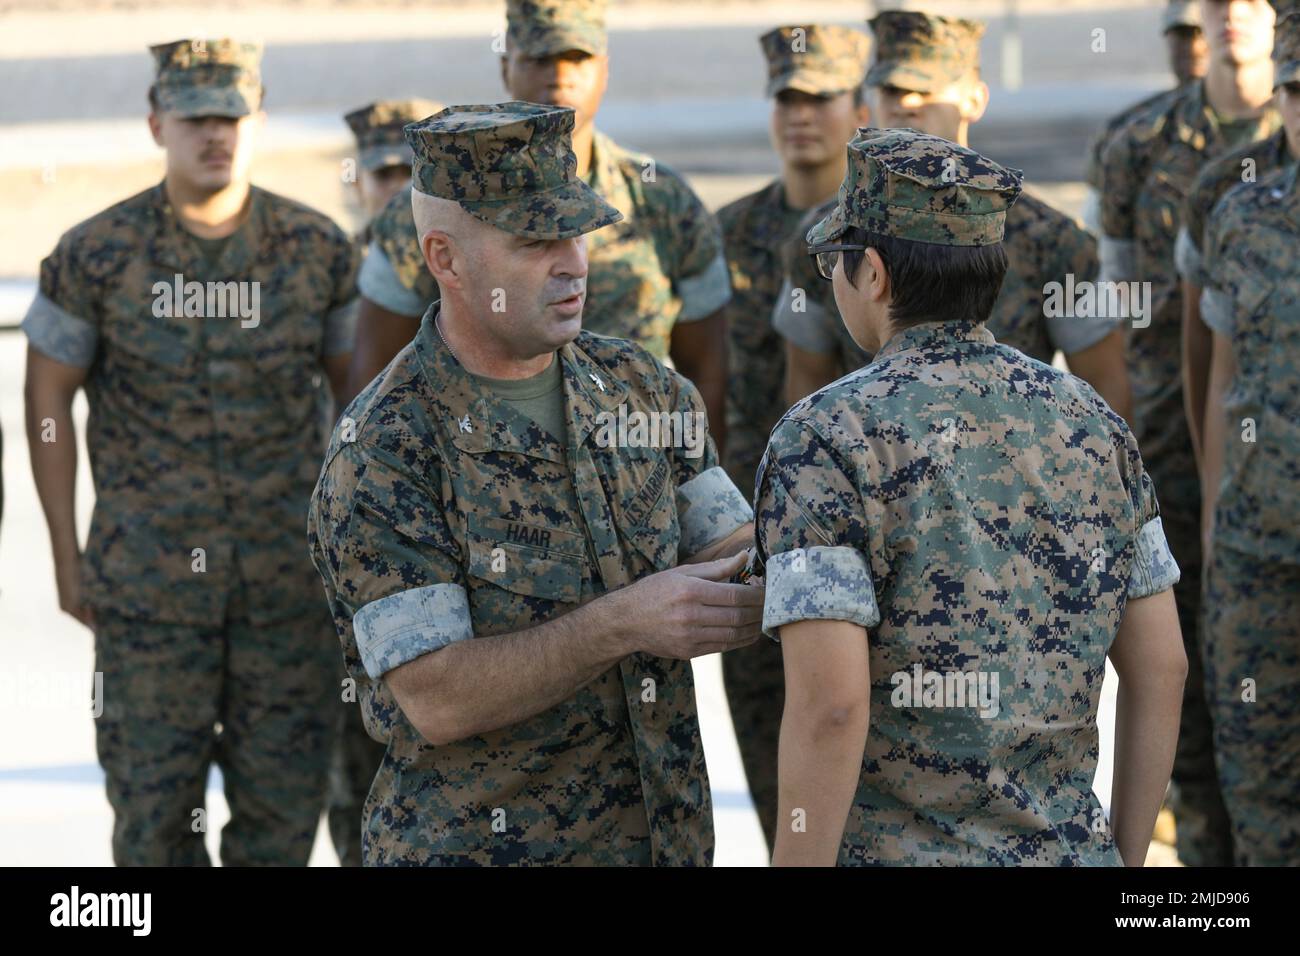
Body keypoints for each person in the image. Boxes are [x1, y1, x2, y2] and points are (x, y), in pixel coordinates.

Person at [308, 102, 763, 866]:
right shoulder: (385, 451)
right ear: (446, 260)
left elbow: (735, 546)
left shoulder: (643, 390)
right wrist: (624, 622)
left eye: (576, 232)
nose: (574, 262)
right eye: (535, 241)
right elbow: (438, 695)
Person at [753, 128, 1187, 867]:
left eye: (837, 262)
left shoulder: (825, 436)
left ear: (877, 275)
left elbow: (831, 708)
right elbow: (1162, 667)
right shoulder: (1090, 422)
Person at [22, 38, 359, 865]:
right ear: (155, 122)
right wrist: (66, 557)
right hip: (149, 600)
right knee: (150, 828)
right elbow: (45, 404)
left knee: (280, 828)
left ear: (258, 120)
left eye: (231, 116)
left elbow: (362, 410)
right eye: (195, 116)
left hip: (287, 593)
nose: (216, 134)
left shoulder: (316, 251)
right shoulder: (94, 255)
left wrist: (359, 562)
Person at [343, 0, 732, 449]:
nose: (559, 75)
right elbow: (372, 375)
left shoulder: (663, 199)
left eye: (576, 58)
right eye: (540, 58)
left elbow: (707, 369)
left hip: (632, 462)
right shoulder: (433, 208)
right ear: (507, 67)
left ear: (604, 70)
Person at [1098, 0, 1282, 867]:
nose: (1232, 15)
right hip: (1186, 475)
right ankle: (1208, 895)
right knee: (1211, 722)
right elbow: (1132, 325)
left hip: (1250, 482)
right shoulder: (1144, 149)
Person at [776, 10, 1132, 424]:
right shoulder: (836, 235)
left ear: (974, 99)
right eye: (891, 89)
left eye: (925, 88)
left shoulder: (1052, 239)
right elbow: (806, 385)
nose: (906, 104)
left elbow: (1106, 396)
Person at [716, 22, 871, 854]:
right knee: (780, 788)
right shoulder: (729, 230)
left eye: (822, 98)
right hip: (753, 537)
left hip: (863, 546)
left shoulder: (887, 235)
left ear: (859, 106)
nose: (801, 116)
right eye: (788, 98)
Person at [1197, 18, 1300, 864]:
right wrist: (1211, 517)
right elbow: (1223, 382)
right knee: (1257, 778)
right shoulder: (1243, 214)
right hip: (1256, 551)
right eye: (1296, 91)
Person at [328, 96, 441, 867]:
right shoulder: (339, 275)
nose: (394, 190)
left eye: (409, 174)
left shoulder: (459, 278)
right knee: (353, 757)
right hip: (348, 537)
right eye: (382, 175)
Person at [1179, 9, 1299, 468]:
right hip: (1260, 488)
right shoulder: (1227, 193)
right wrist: (1214, 490)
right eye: (1293, 91)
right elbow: (1206, 351)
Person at [1081, 0, 1208, 234]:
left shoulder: (1284, 125)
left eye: (1204, 32)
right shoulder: (1125, 133)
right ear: (1168, 38)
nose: (1195, 47)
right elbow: (1096, 234)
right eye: (1183, 34)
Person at [344, 98, 443, 237]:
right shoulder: (341, 256)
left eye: (413, 173)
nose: (399, 186)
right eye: (383, 174)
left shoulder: (463, 256)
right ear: (358, 186)